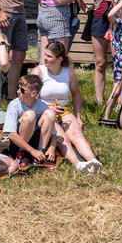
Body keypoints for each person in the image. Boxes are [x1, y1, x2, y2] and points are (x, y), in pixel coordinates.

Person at [35, 41, 103, 173]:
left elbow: (76, 95)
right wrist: (48, 109)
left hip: (63, 109)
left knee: (76, 133)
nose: (44, 58)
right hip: (45, 111)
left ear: (59, 59)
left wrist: (78, 117)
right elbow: (32, 99)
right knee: (63, 137)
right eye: (45, 55)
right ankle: (77, 164)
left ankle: (94, 161)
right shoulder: (39, 71)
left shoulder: (69, 73)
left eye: (49, 56)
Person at [2, 72, 59, 168]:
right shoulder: (14, 105)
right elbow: (10, 134)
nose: (18, 91)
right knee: (30, 115)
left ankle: (41, 152)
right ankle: (21, 155)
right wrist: (32, 151)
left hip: (34, 142)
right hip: (17, 144)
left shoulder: (42, 105)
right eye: (17, 87)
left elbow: (53, 132)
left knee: (50, 113)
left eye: (22, 90)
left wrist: (52, 147)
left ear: (33, 93)